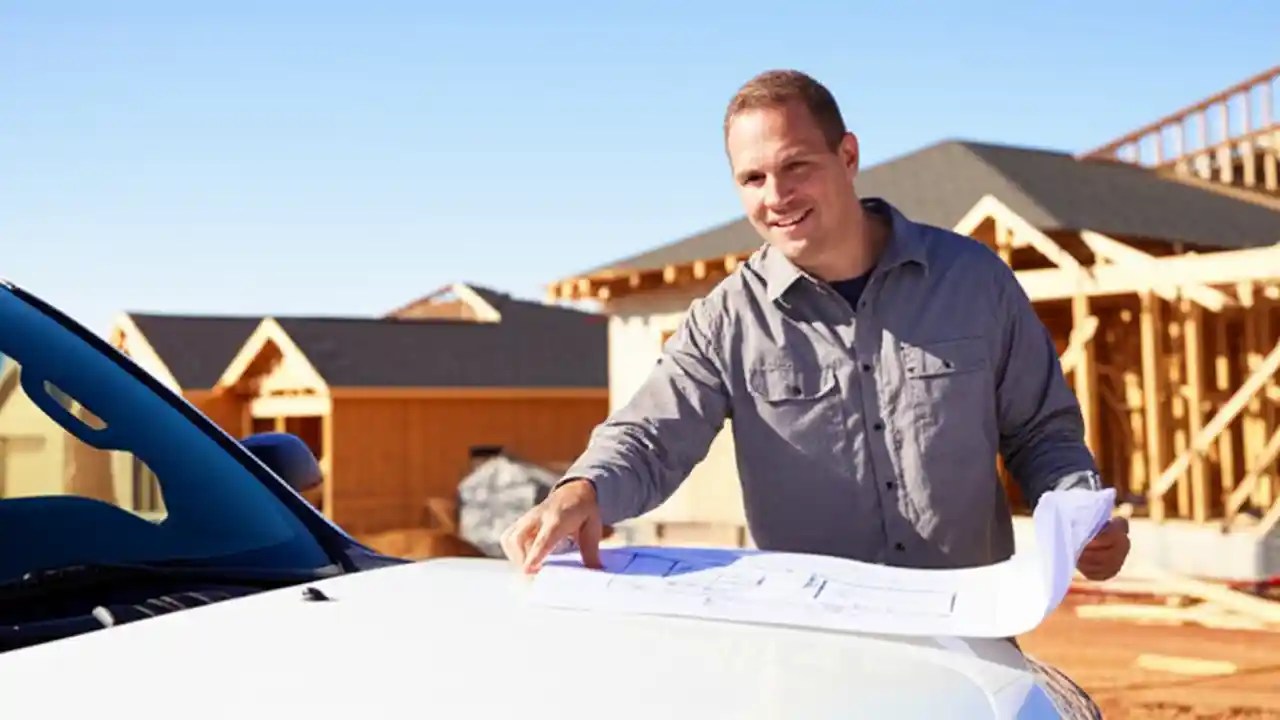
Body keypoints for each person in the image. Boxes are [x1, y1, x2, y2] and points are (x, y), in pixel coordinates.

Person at [501, 69, 1130, 586]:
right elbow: (650, 437)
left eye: (796, 166)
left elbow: (1041, 432)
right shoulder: (729, 318)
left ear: (848, 156)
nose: (775, 194)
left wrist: (1078, 514)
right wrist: (583, 490)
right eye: (752, 178)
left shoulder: (973, 280)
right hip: (813, 643)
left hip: (969, 632)